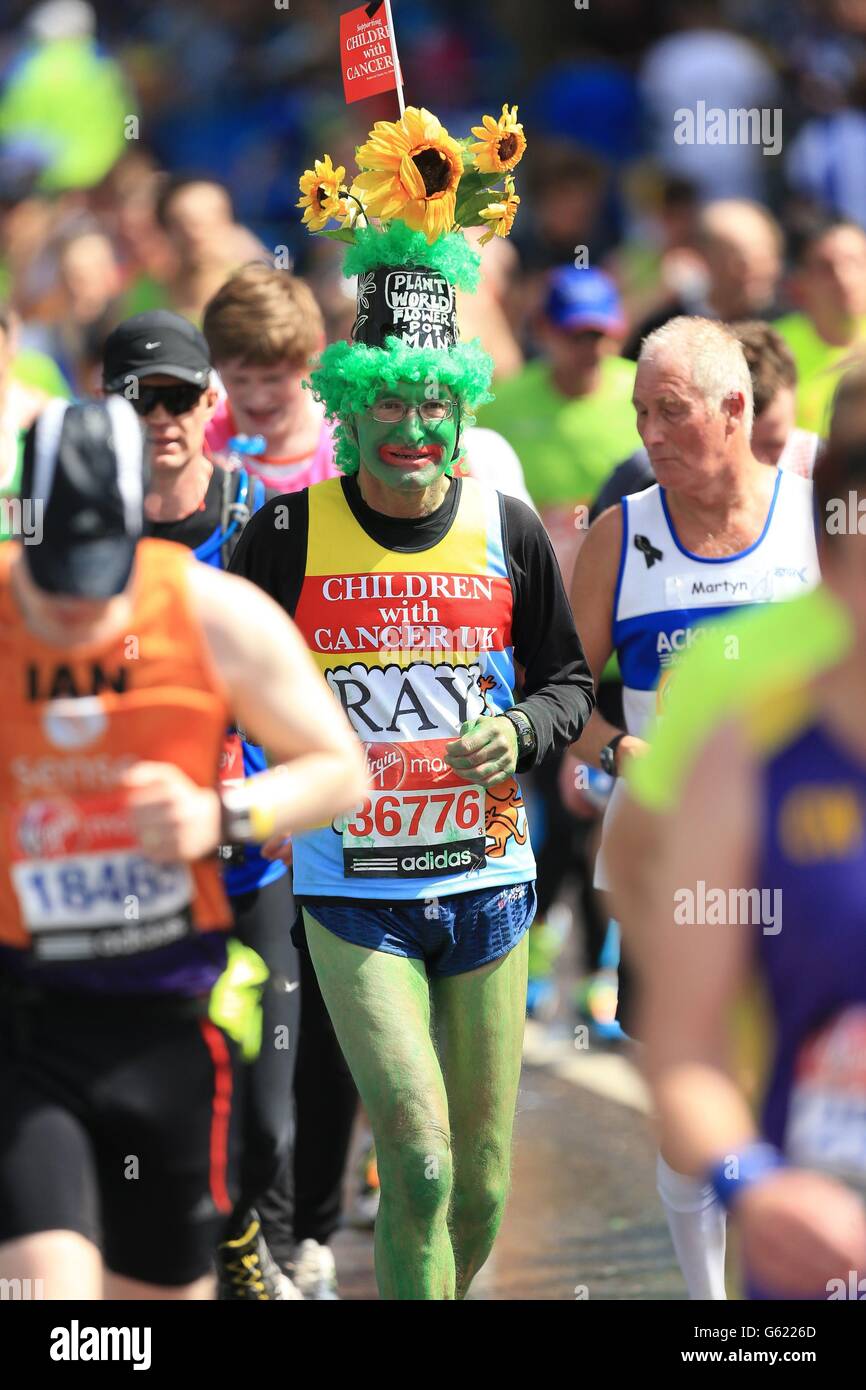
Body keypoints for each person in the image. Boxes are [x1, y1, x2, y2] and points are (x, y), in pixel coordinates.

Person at [231, 104, 594, 1300]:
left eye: (434, 405)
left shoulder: (506, 527)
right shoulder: (284, 533)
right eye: (387, 404)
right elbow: (216, 679)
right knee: (423, 1163)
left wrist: (526, 731)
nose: (412, 429)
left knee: (478, 1189)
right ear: (348, 404)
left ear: (460, 409)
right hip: (352, 894)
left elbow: (565, 679)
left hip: (487, 887)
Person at [0, 397, 368, 1301]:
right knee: (46, 1291)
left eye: (100, 572)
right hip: (23, 1015)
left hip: (166, 1015)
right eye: (55, 573)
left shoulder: (210, 612)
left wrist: (223, 815)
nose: (78, 602)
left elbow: (337, 771)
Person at [566, 315, 821, 1299]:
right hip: (670, 868)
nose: (649, 435)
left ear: (733, 410)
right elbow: (557, 694)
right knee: (689, 1113)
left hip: (798, 862)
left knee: (798, 1095)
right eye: (638, 414)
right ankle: (707, 1310)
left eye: (669, 412)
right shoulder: (617, 537)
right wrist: (620, 751)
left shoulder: (813, 525)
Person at [101, 309, 310, 1298]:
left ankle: (240, 1236)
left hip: (251, 850)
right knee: (145, 1104)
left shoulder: (263, 514)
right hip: (131, 862)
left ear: (208, 402)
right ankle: (190, 1258)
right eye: (139, 400)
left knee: (268, 1114)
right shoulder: (78, 533)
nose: (162, 417)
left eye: (179, 396)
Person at [637, 433, 866, 1298]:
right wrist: (754, 1189)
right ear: (837, 557)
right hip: (821, 1259)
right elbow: (683, 1046)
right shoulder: (750, 760)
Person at [477, 265, 640, 586]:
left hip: (630, 562)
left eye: (599, 334)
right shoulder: (500, 404)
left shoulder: (643, 391)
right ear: (543, 329)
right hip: (534, 569)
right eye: (575, 335)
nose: (590, 348)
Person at [622, 200, 784, 361]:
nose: (757, 272)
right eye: (740, 263)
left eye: (764, 259)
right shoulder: (666, 330)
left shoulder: (791, 327)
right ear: (704, 258)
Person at [774, 216, 866, 434]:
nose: (845, 278)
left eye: (856, 263)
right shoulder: (774, 350)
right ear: (799, 282)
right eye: (826, 268)